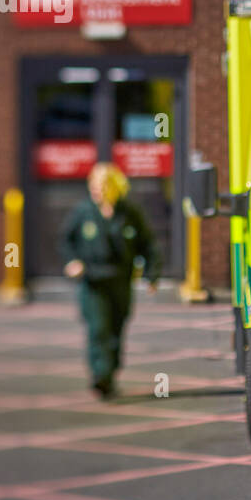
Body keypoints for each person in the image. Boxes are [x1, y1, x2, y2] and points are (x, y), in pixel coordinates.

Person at [59, 162, 161, 399]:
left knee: (117, 328)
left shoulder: (130, 213)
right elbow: (66, 241)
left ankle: (110, 372)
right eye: (94, 186)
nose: (97, 191)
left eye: (103, 186)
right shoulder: (83, 212)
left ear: (115, 187)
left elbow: (148, 245)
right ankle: (100, 375)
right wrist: (72, 261)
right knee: (98, 329)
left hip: (120, 280)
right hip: (93, 281)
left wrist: (151, 276)